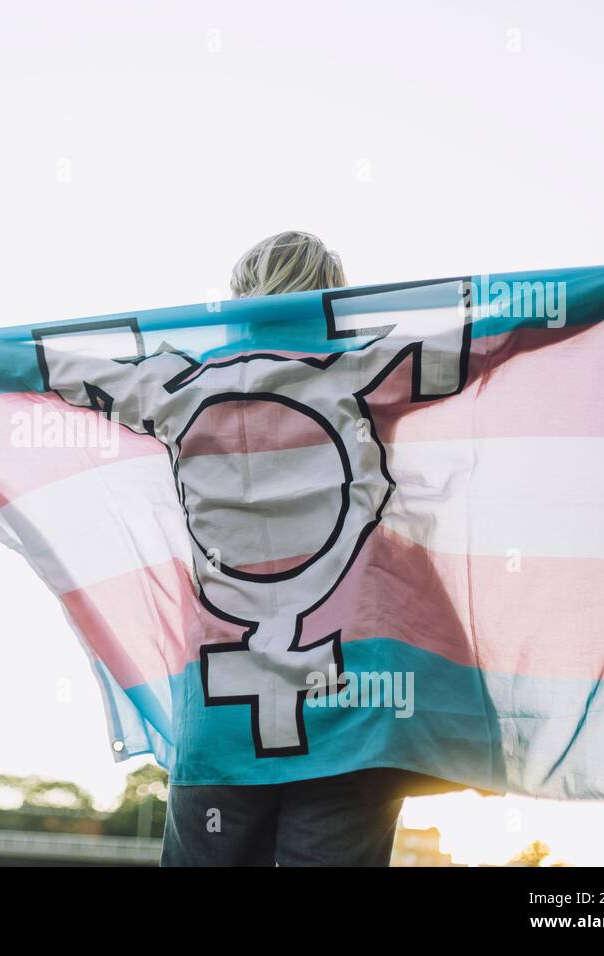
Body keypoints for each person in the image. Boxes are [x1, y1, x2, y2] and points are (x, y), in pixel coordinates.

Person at [160, 231, 460, 867]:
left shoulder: (177, 391)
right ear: (334, 302)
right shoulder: (370, 375)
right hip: (350, 703)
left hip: (221, 707)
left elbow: (50, 376)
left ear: (239, 298)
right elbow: (499, 343)